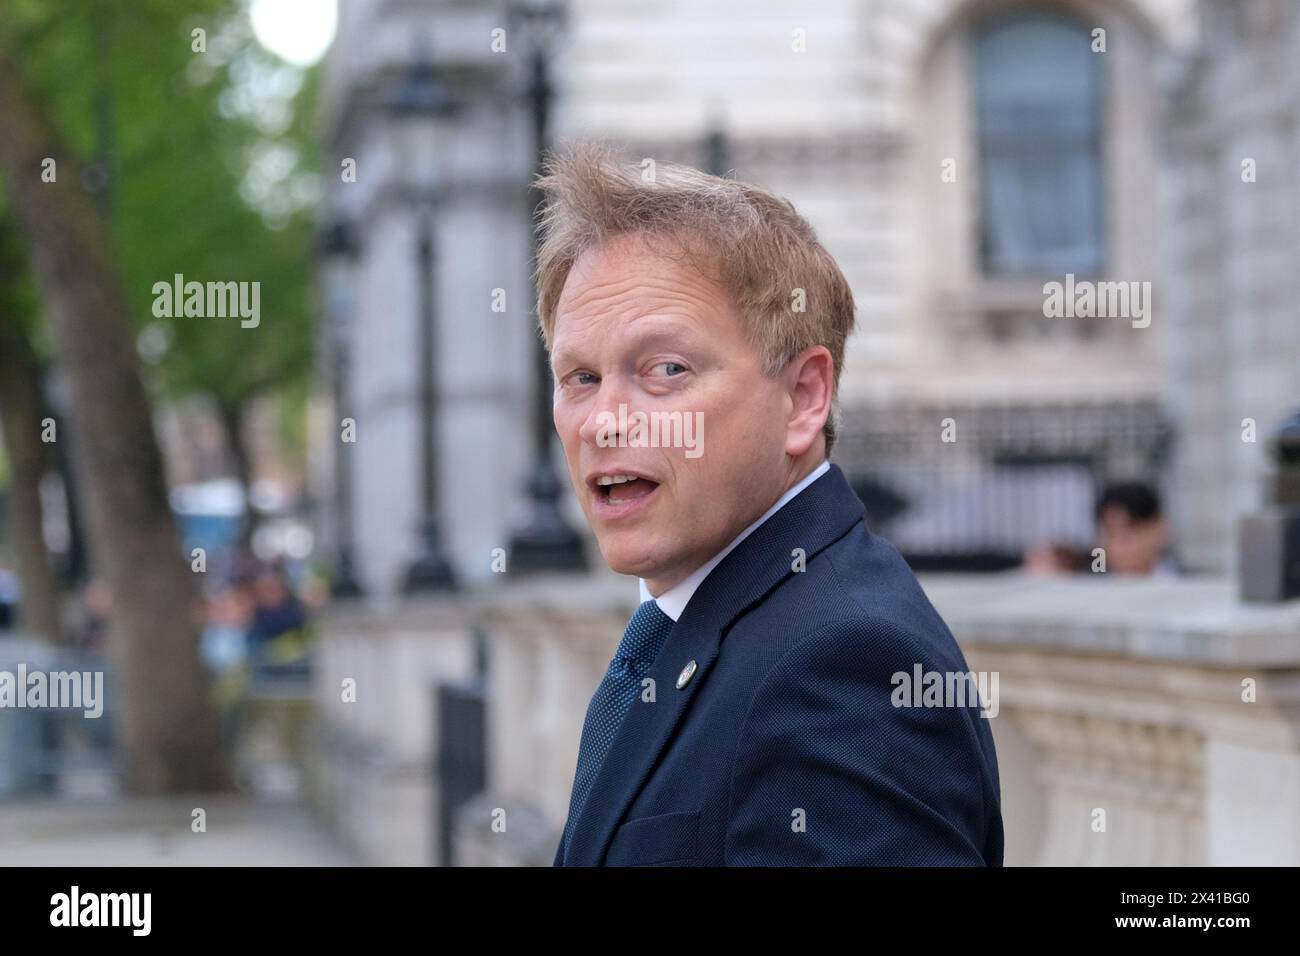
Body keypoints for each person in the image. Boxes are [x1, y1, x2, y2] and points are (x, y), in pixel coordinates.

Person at [541, 144, 1002, 866]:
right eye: (580, 377)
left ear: (803, 398)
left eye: (665, 369)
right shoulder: (698, 621)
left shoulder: (845, 670)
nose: (604, 420)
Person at [1094, 481, 1179, 576]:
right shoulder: (1089, 586)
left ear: (1160, 528)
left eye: (1133, 532)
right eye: (1111, 534)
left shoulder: (1191, 584)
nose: (1120, 545)